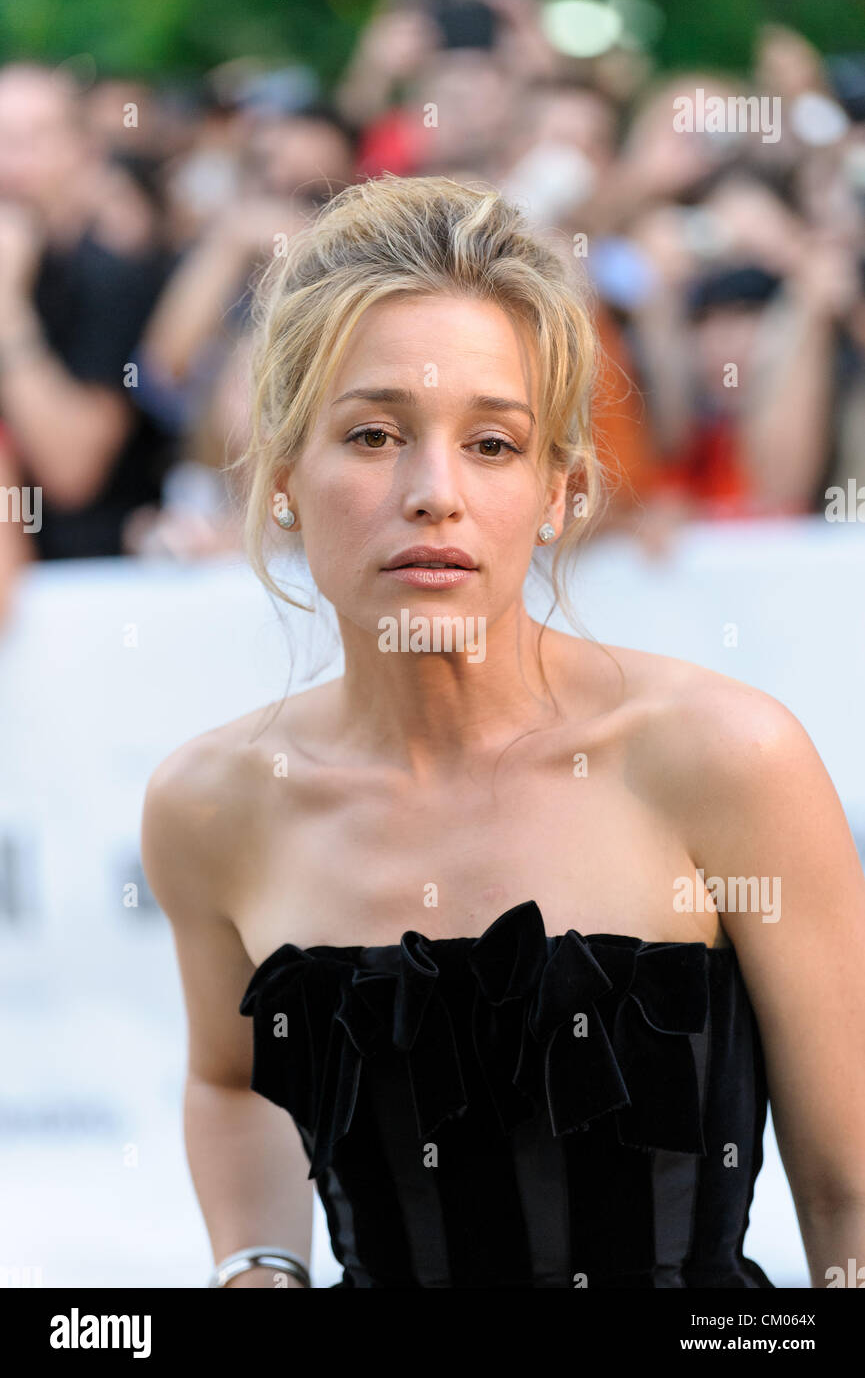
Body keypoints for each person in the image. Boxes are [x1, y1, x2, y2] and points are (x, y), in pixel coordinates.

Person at [141, 174, 865, 1289]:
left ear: (560, 491)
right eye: (375, 434)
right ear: (285, 477)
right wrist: (258, 1259)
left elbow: (848, 1189)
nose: (434, 492)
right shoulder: (210, 804)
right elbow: (230, 1079)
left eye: (491, 444)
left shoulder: (726, 759)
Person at [0, 63, 175, 560]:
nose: (11, 159)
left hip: (89, 583)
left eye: (34, 137)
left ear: (84, 153)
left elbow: (72, 472)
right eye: (1, 137)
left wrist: (7, 308)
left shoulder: (113, 278)